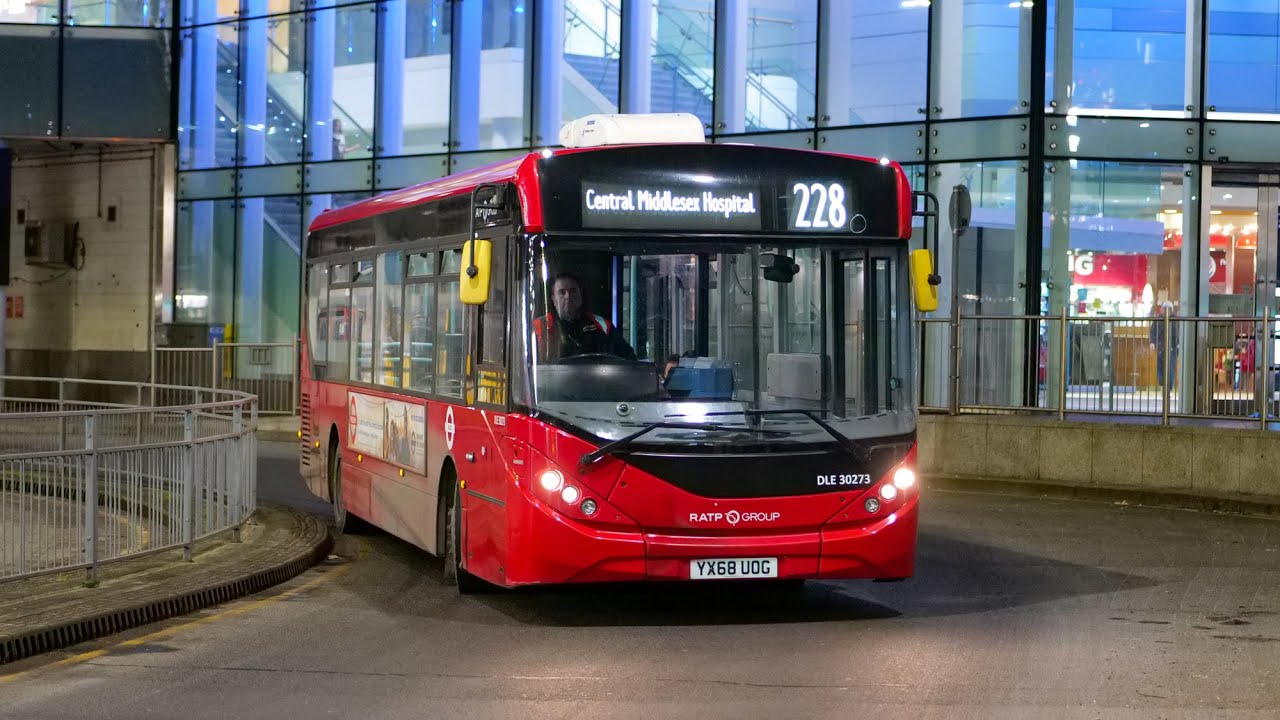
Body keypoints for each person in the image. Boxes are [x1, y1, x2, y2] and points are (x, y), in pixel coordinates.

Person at [534, 272, 636, 361]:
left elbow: (629, 360)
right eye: (562, 292)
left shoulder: (602, 324)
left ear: (581, 295)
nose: (568, 296)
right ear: (553, 300)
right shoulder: (539, 328)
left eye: (573, 291)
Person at [1149, 301, 1177, 389]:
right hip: (1163, 346)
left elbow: (1177, 334)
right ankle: (1164, 384)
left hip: (1170, 347)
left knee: (1170, 366)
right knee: (1163, 366)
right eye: (1165, 309)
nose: (1166, 311)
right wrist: (1152, 342)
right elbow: (1153, 331)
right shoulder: (1159, 319)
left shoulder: (1175, 320)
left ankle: (1168, 386)